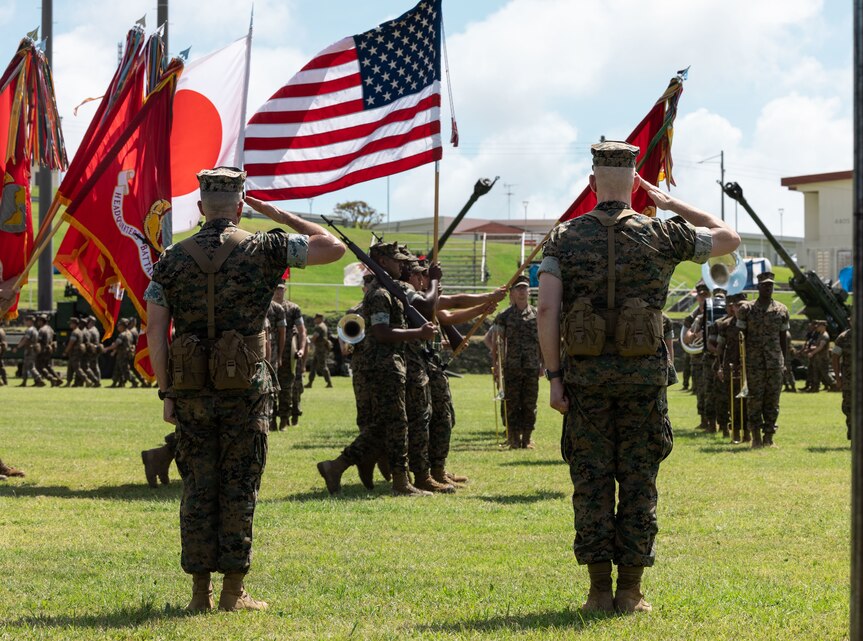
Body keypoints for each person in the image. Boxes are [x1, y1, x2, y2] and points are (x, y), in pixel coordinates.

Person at [536, 140, 739, 614]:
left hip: (584, 383)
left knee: (591, 481)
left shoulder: (563, 238)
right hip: (643, 382)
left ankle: (597, 592)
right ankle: (630, 592)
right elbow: (727, 236)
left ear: (591, 183)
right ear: (635, 185)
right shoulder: (663, 234)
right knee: (639, 480)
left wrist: (554, 378)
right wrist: (670, 203)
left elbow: (546, 309)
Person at [144, 166, 344, 612]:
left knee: (197, 485)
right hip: (246, 389)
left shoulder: (171, 260)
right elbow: (334, 248)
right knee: (240, 484)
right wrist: (279, 214)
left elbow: (156, 331)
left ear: (199, 207)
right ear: (240, 205)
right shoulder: (265, 247)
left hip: (192, 390)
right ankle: (233, 592)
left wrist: (167, 392)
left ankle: (200, 594)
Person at [316, 241, 435, 497]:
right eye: (397, 260)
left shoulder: (390, 291)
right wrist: (420, 332)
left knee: (386, 425)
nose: (402, 264)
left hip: (392, 365)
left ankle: (338, 466)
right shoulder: (380, 294)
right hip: (384, 367)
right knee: (396, 424)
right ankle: (399, 482)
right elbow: (381, 333)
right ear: (383, 262)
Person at [484, 274, 541, 449]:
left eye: (525, 288)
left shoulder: (537, 315)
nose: (522, 292)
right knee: (511, 403)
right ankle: (513, 438)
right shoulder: (504, 316)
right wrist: (496, 366)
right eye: (519, 288)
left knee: (530, 403)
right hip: (511, 366)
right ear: (512, 293)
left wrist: (544, 364)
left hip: (531, 366)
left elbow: (542, 341)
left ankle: (527, 438)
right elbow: (496, 343)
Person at [736, 272, 789, 448]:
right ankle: (756, 436)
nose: (768, 288)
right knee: (755, 399)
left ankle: (769, 437)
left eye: (771, 285)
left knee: (773, 400)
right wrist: (739, 360)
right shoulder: (747, 310)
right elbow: (740, 337)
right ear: (758, 287)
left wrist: (785, 362)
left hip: (775, 362)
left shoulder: (782, 310)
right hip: (754, 362)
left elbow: (784, 338)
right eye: (765, 285)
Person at [831, 326, 852, 440]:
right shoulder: (843, 337)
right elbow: (835, 357)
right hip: (849, 381)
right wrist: (838, 378)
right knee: (849, 408)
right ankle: (853, 435)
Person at [805, 320, 834, 393]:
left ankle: (834, 385)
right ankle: (815, 388)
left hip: (823, 358)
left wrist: (812, 353)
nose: (816, 327)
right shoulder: (820, 335)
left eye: (818, 326)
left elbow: (821, 347)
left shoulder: (825, 335)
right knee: (816, 373)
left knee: (825, 373)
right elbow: (819, 346)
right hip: (818, 357)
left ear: (823, 326)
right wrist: (812, 348)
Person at [305, 313, 333, 388]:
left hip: (320, 350)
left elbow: (314, 337)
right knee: (313, 366)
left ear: (320, 318)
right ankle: (310, 382)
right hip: (320, 349)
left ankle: (329, 382)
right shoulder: (323, 326)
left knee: (323, 366)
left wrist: (309, 342)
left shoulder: (319, 327)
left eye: (316, 318)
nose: (314, 320)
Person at [16, 314, 44, 387]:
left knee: (31, 367)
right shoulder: (35, 329)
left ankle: (40, 380)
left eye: (26, 321)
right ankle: (24, 382)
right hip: (32, 349)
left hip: (30, 350)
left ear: (30, 321)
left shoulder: (30, 330)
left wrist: (18, 347)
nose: (25, 323)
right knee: (25, 366)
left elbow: (26, 339)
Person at [35, 314, 62, 386]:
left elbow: (39, 341)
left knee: (39, 366)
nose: (37, 322)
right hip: (49, 349)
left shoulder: (41, 330)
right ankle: (58, 378)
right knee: (48, 366)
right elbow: (55, 340)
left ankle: (51, 378)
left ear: (42, 321)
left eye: (39, 321)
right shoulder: (51, 329)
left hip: (43, 349)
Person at [0, 318, 7, 386]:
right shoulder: (2, 330)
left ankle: (2, 382)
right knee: (1, 366)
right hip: (2, 349)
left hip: (1, 348)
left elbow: (2, 343)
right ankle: (4, 380)